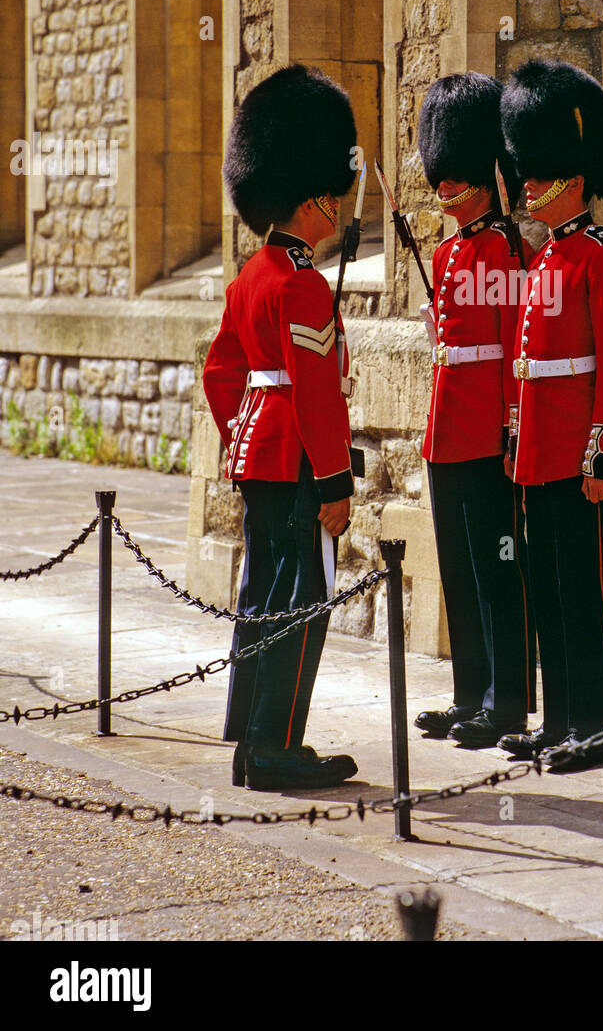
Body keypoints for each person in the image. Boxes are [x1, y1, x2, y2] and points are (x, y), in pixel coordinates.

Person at [203, 64, 360, 791]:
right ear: (315, 200)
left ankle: (249, 738)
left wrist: (244, 432)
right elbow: (318, 393)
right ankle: (277, 747)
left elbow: (220, 374)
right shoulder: (301, 283)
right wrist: (335, 481)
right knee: (302, 600)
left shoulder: (251, 276)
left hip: (258, 454)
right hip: (299, 462)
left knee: (262, 593)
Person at [498, 59, 603, 771]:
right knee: (549, 594)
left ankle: (593, 725)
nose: (526, 185)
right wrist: (517, 441)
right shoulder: (545, 260)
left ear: (575, 178)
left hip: (578, 456)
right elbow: (530, 367)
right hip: (538, 455)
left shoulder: (601, 258)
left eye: (540, 173)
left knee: (585, 592)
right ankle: (557, 718)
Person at [413, 72, 536, 748]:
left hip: (487, 430)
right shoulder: (447, 250)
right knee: (459, 570)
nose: (443, 186)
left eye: (454, 174)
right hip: (446, 431)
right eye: (441, 174)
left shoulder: (505, 248)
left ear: (483, 175)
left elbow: (517, 346)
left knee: (497, 571)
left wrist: (513, 430)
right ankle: (469, 696)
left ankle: (508, 703)